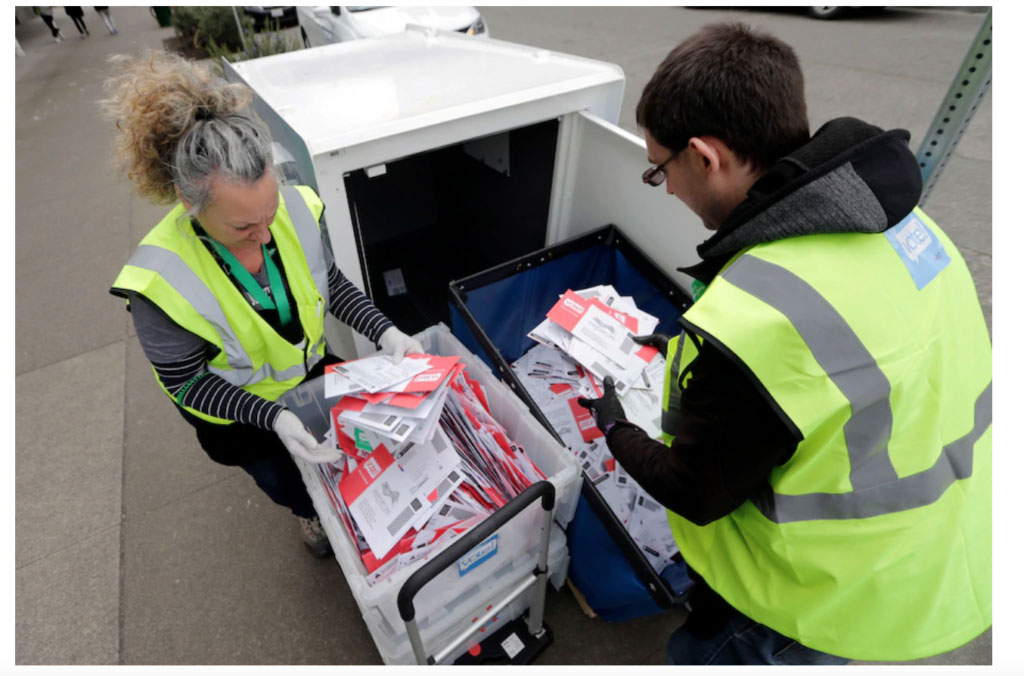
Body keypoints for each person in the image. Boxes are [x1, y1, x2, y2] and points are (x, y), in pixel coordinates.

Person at [578, 22, 991, 665]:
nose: (671, 190)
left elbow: (697, 491)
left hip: (840, 600)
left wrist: (614, 427)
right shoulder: (908, 226)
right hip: (957, 539)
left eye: (660, 172)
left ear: (705, 156)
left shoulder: (761, 320)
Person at [103, 50, 425, 557]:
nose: (263, 234)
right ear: (190, 204)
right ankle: (309, 516)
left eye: (268, 213)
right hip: (236, 420)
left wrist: (387, 332)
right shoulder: (156, 283)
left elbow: (328, 283)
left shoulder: (293, 208)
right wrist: (272, 417)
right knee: (282, 479)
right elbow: (186, 383)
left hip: (312, 376)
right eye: (242, 228)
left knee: (347, 456)